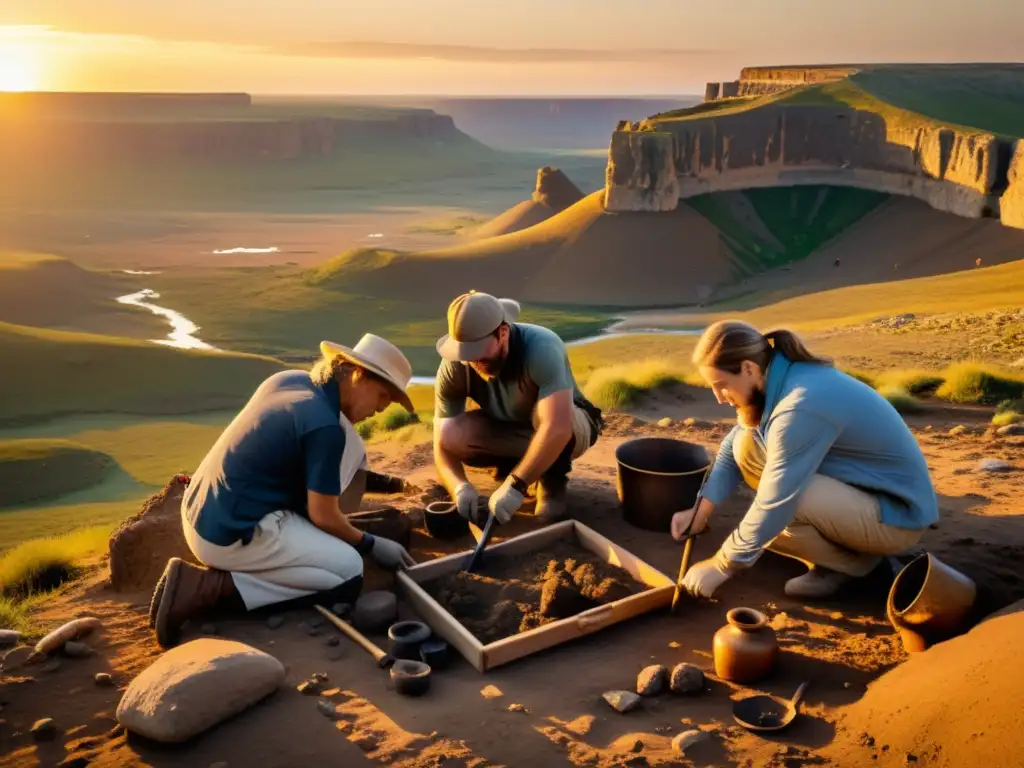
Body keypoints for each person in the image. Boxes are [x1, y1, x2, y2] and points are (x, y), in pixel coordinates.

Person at [151, 334, 418, 648]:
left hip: (200, 509)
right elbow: (323, 515)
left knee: (332, 542)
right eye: (383, 395)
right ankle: (206, 587)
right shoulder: (324, 427)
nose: (383, 408)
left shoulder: (291, 381)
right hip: (229, 534)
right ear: (358, 374)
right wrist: (371, 544)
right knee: (348, 573)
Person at [673, 321, 938, 600]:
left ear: (748, 368)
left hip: (896, 518)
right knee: (746, 446)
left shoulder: (800, 406)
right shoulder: (782, 376)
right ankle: (848, 560)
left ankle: (860, 570)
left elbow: (776, 501)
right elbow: (734, 442)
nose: (718, 398)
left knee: (780, 507)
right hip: (863, 493)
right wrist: (700, 511)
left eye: (722, 385)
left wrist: (721, 565)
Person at [432, 291, 603, 524]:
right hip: (512, 429)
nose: (472, 361)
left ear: (502, 333)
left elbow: (558, 427)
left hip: (570, 426)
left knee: (545, 415)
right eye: (466, 354)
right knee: (452, 433)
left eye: (479, 352)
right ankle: (519, 466)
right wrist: (459, 487)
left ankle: (551, 482)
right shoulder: (456, 364)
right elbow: (441, 442)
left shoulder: (542, 346)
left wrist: (516, 486)